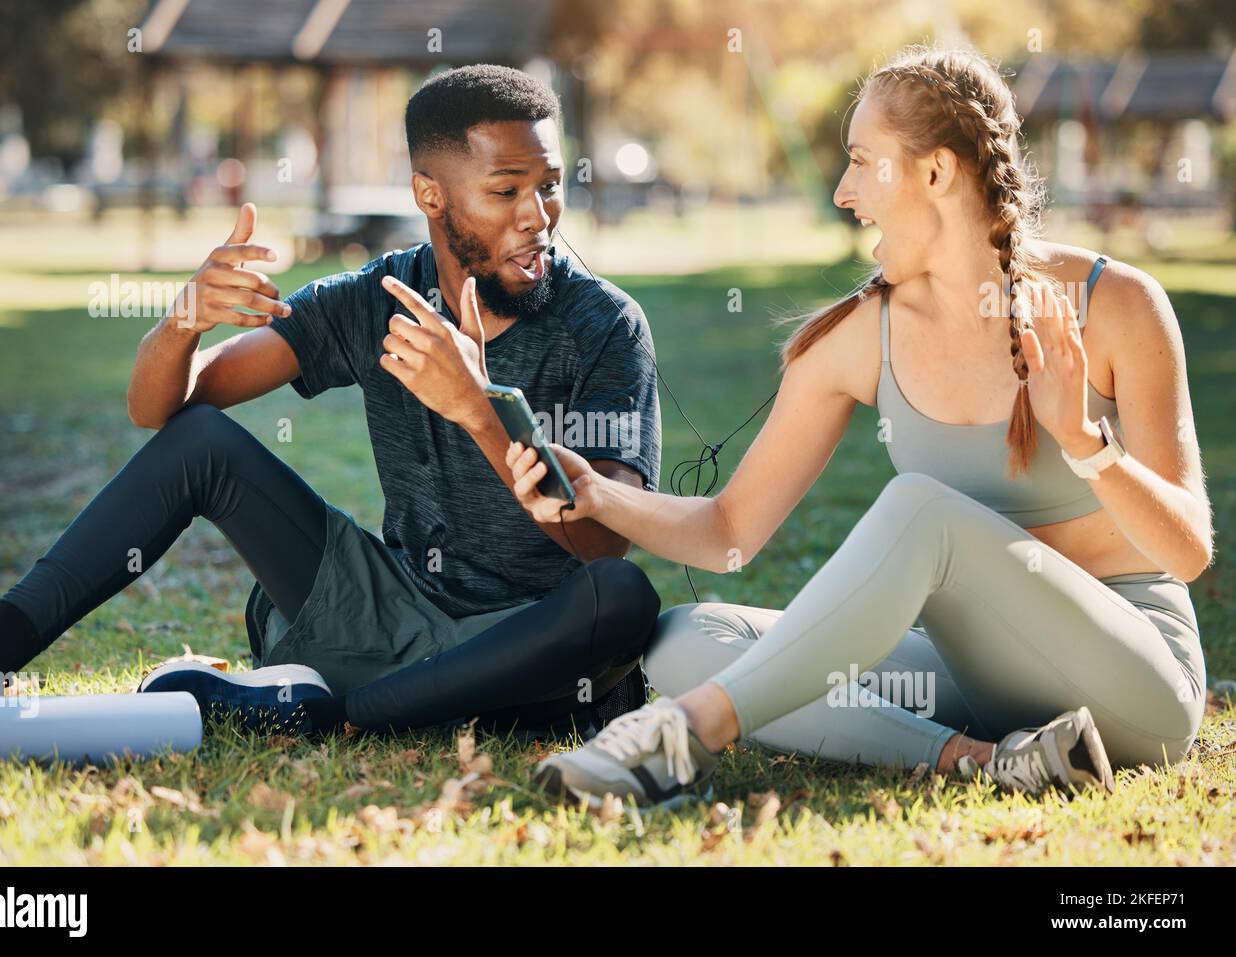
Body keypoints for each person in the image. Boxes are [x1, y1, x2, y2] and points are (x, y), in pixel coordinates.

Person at [506, 46, 1212, 805]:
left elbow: (1188, 549)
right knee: (689, 640)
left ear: (935, 173)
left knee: (922, 510)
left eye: (862, 161)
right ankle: (980, 759)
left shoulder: (1117, 305)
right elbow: (730, 529)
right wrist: (598, 495)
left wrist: (1083, 443)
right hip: (979, 682)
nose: (844, 191)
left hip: (1136, 690)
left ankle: (677, 736)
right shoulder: (860, 335)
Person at [0, 65, 663, 739]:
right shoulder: (373, 299)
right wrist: (183, 320)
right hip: (391, 612)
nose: (538, 214)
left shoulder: (605, 324)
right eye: (507, 190)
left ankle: (350, 708)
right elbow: (163, 409)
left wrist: (481, 409)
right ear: (430, 195)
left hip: (525, 639)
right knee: (203, 443)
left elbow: (604, 540)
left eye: (550, 184)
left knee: (620, 595)